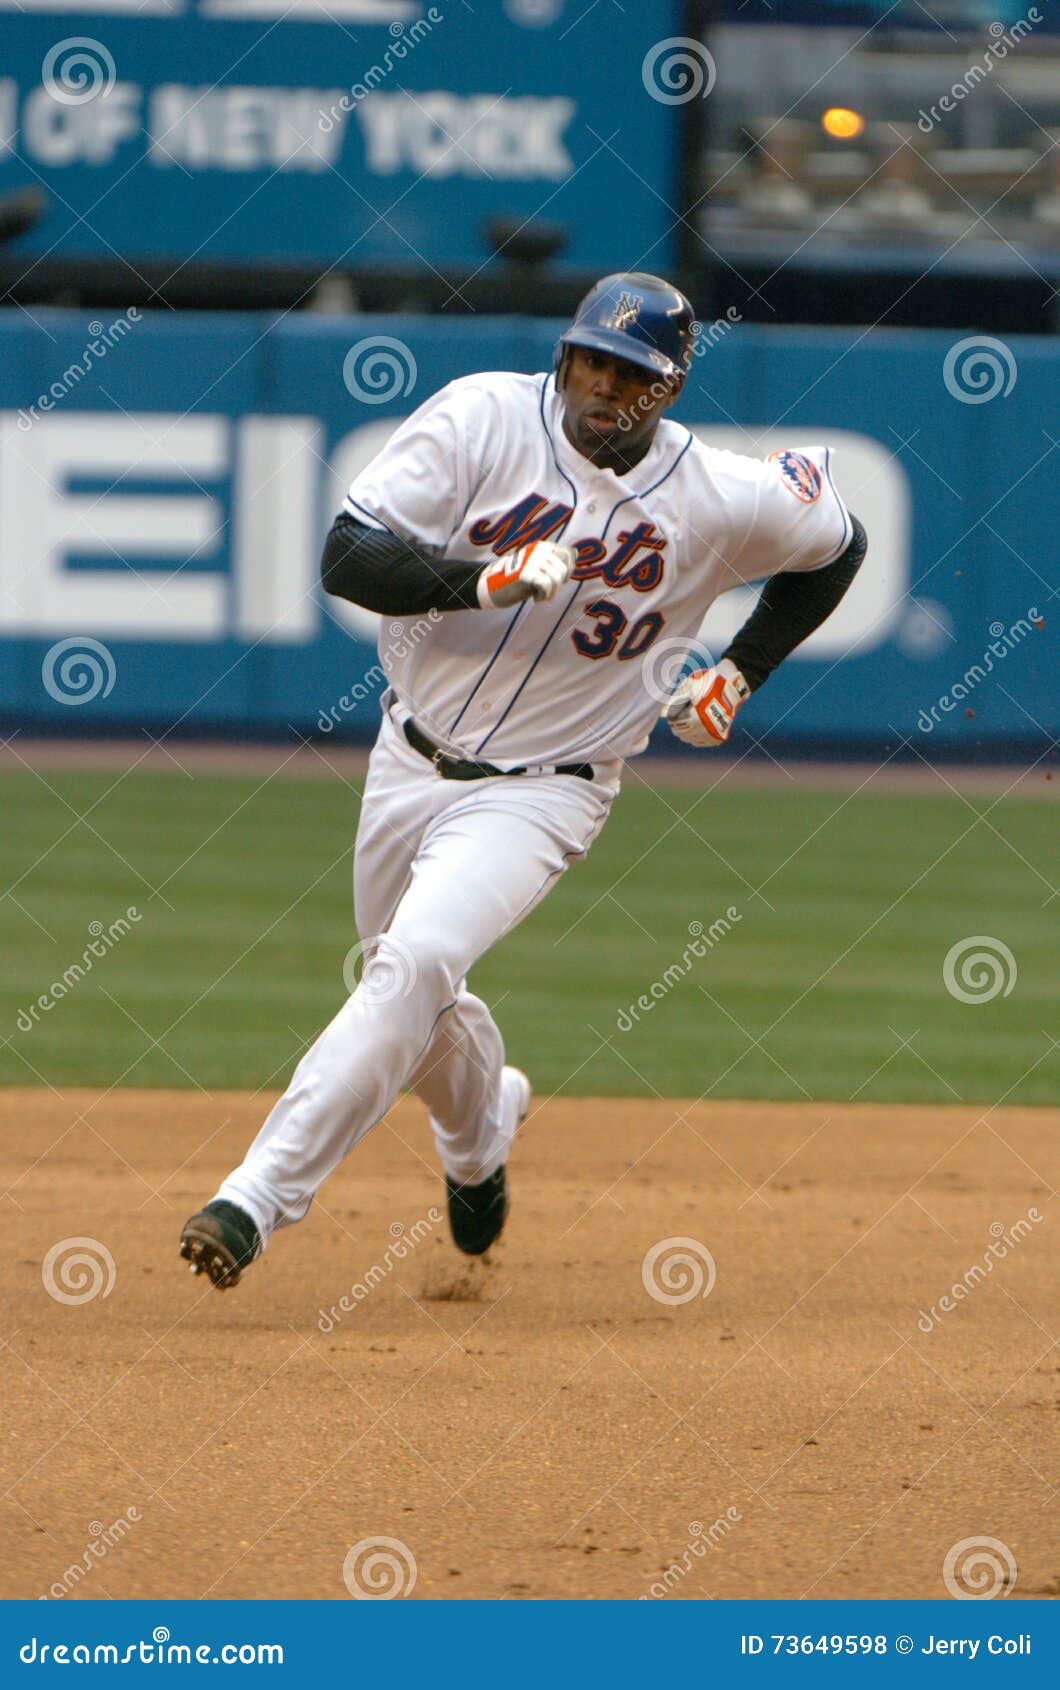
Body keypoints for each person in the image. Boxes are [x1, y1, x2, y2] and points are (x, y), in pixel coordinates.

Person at [179, 271, 867, 1290]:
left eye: (629, 371)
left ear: (668, 386)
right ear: (563, 354)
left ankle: (252, 1198)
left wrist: (740, 670)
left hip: (547, 789)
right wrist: (479, 580)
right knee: (414, 1002)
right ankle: (481, 1132)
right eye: (589, 359)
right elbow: (345, 554)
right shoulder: (481, 419)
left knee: (408, 968)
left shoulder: (720, 493)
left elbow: (839, 542)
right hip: (404, 758)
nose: (602, 384)